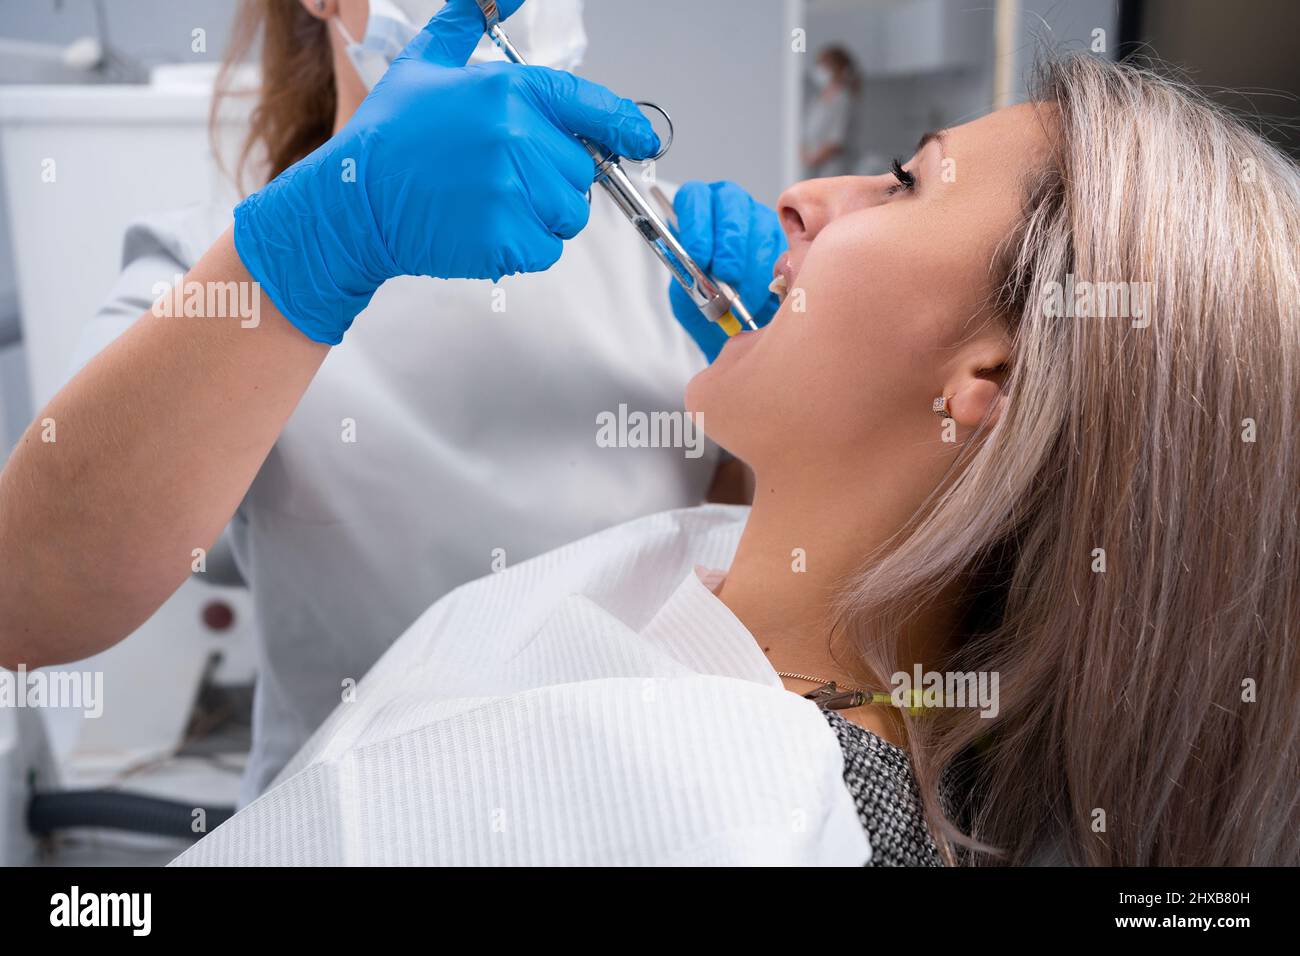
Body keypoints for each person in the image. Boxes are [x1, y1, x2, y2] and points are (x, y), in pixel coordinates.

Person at [177, 54, 1299, 866]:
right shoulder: (734, 595)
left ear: (993, 382)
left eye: (903, 182)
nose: (799, 199)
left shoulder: (739, 802)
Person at [0, 0, 785, 804]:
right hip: (336, 836)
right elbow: (24, 605)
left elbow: (783, 580)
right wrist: (324, 237)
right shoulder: (224, 269)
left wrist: (778, 410)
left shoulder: (693, 257)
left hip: (644, 821)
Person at [802, 45, 862, 178]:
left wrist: (813, 159)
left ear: (835, 68)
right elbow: (806, 132)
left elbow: (836, 142)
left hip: (833, 169)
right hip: (812, 167)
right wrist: (804, 154)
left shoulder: (843, 99)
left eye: (823, 64)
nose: (819, 69)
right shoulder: (818, 98)